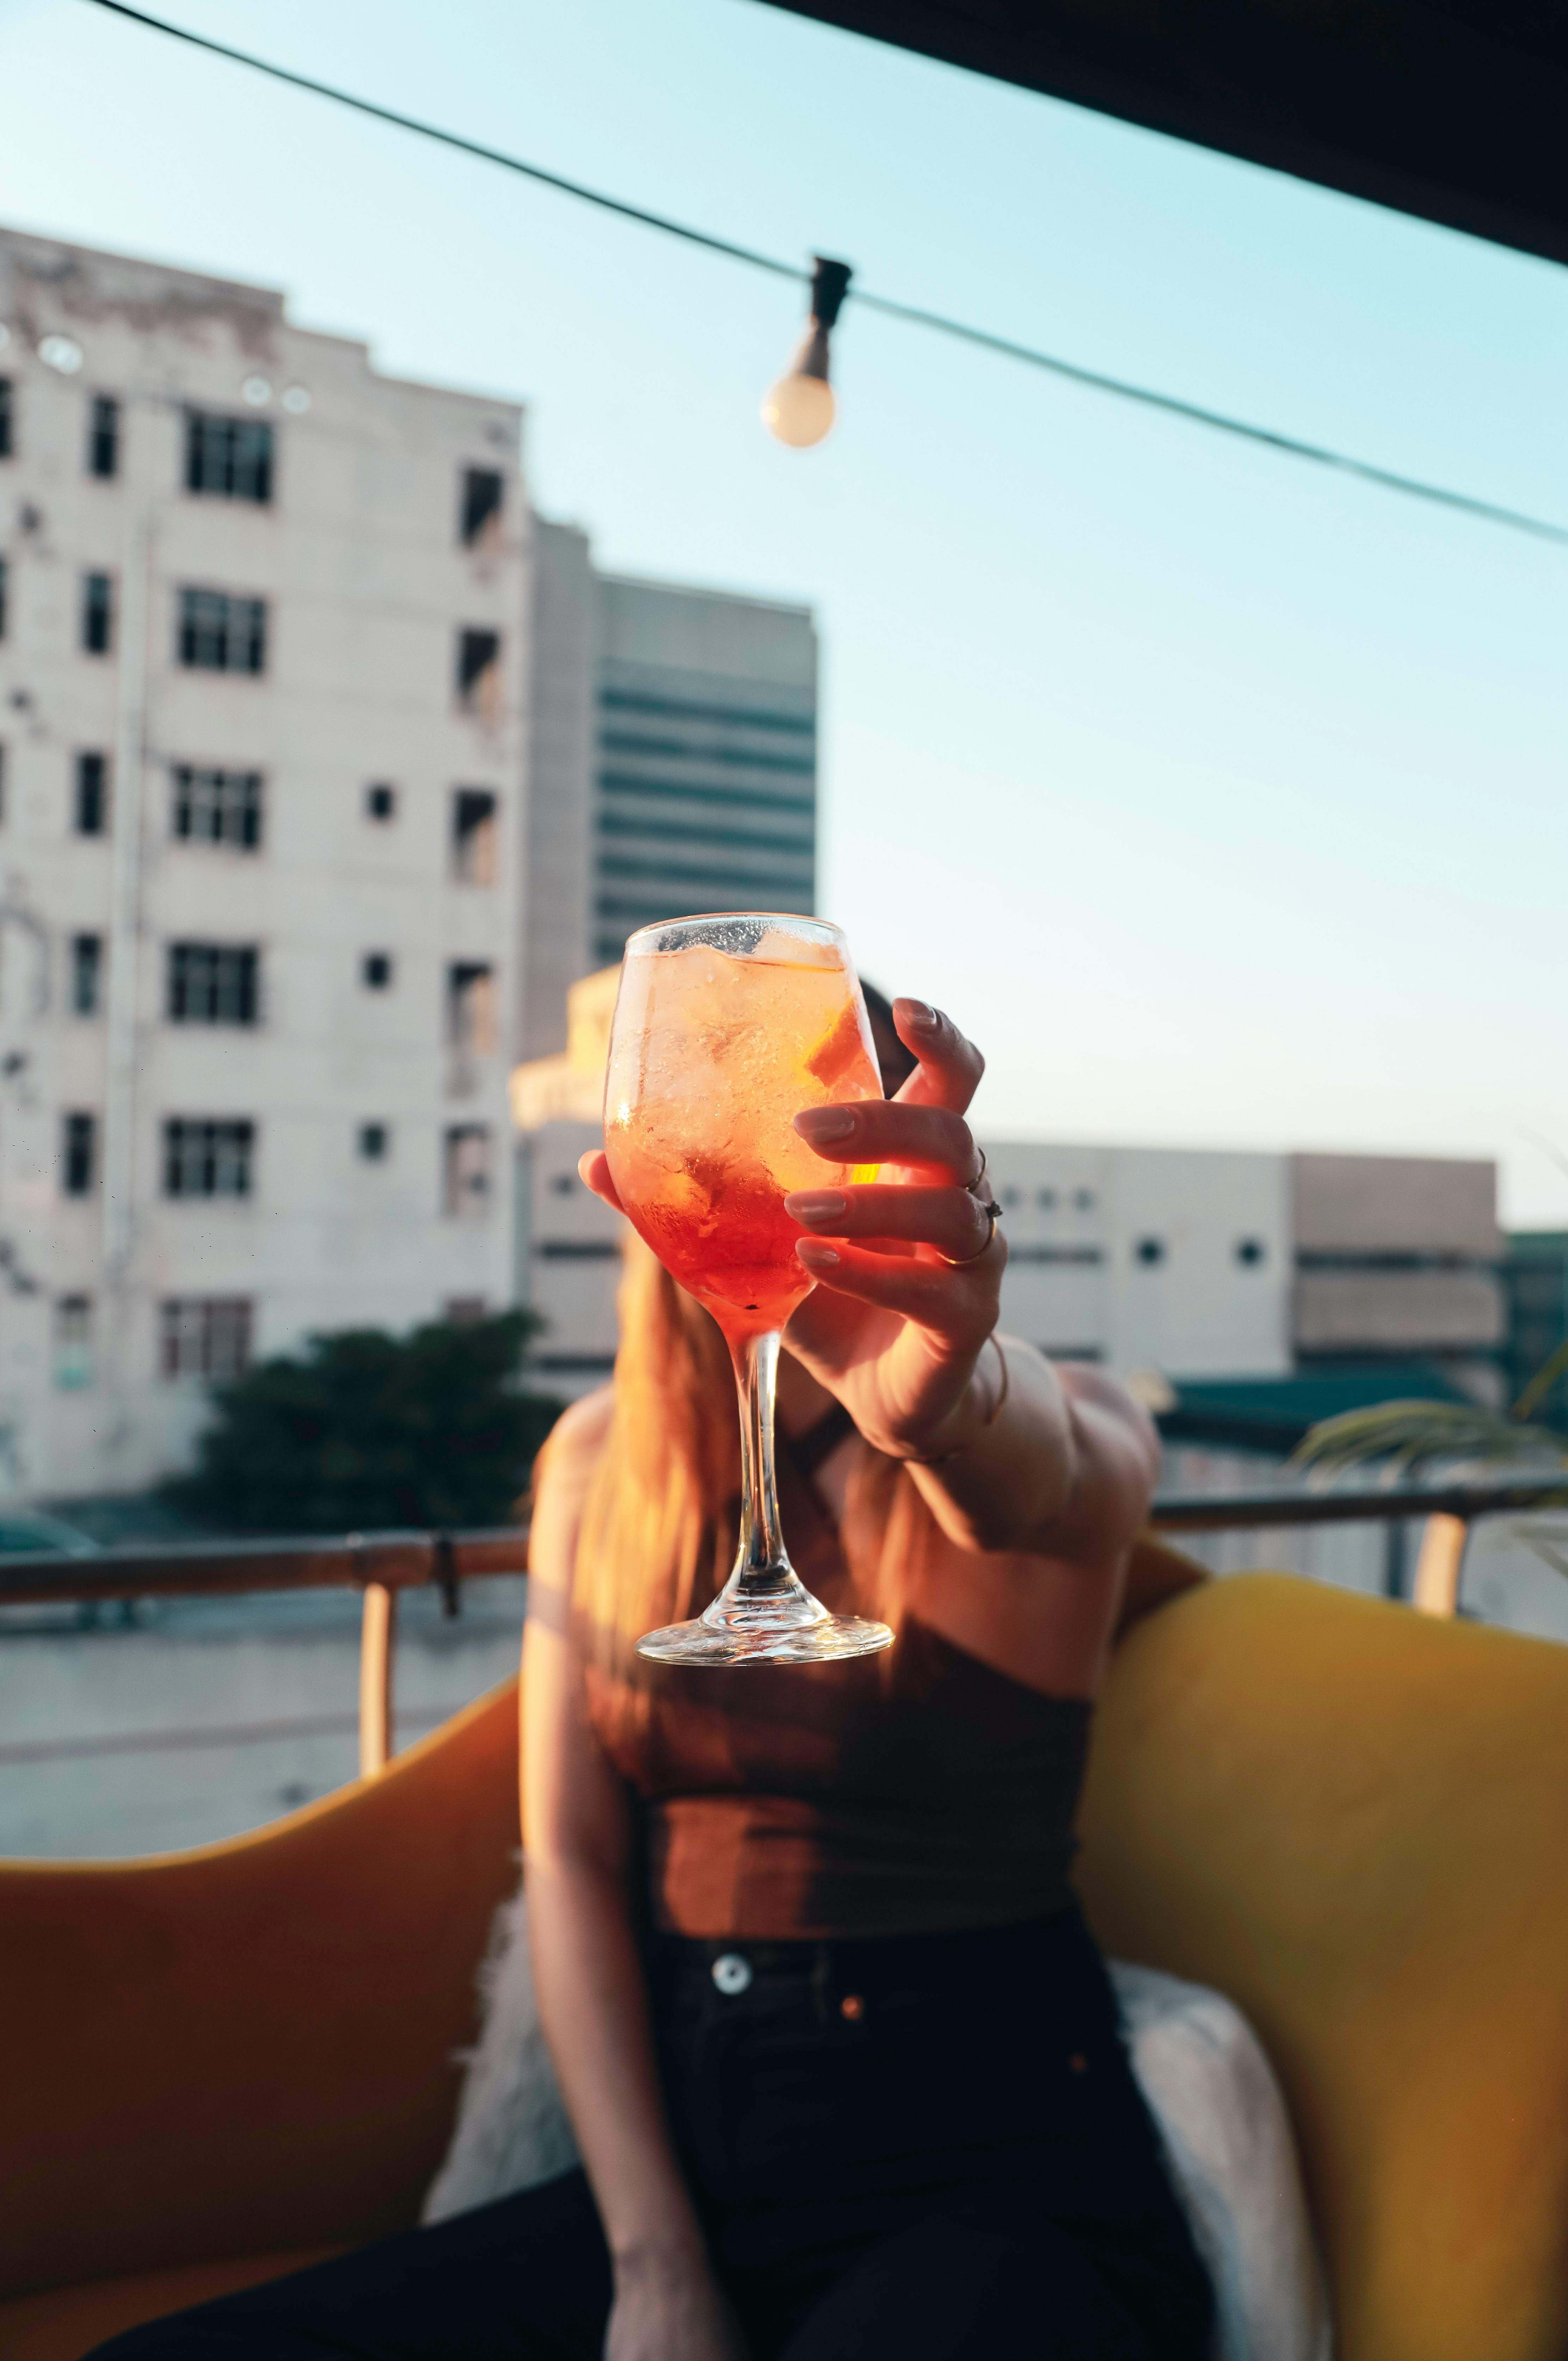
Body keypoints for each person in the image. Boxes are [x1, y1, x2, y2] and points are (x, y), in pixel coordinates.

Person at [97, 994, 1212, 2361]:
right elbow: (569, 1858)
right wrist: (658, 2266)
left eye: (814, 1118)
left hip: (991, 2174)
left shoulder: (1043, 1404)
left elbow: (1046, 1470)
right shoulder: (598, 1461)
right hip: (692, 2167)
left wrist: (947, 1396)